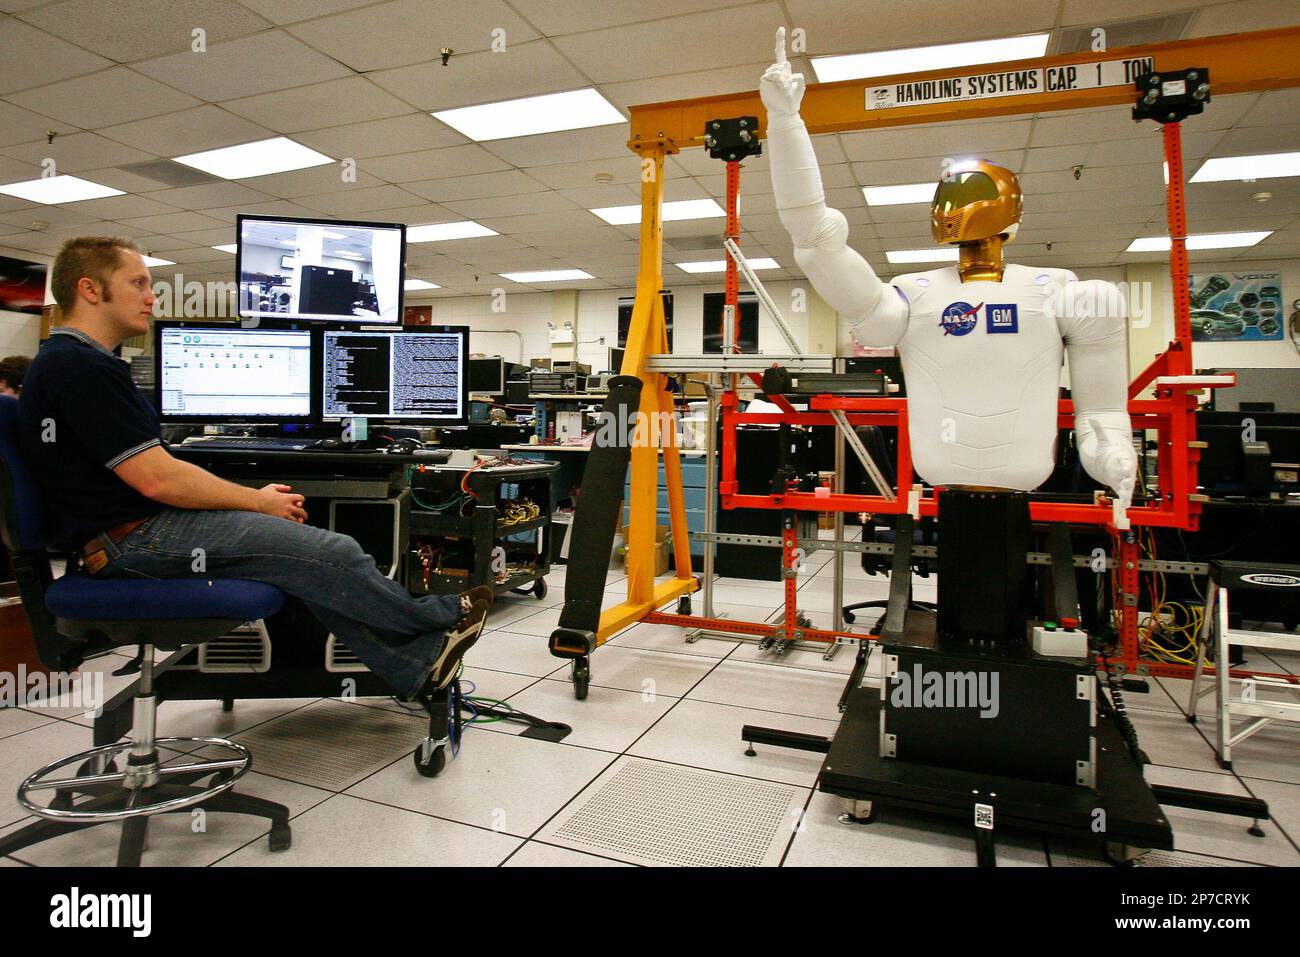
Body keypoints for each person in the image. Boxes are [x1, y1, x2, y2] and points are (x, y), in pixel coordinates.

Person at [17, 236, 491, 700]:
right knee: (335, 552)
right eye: (139, 283)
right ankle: (440, 619)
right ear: (90, 290)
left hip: (128, 534)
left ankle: (420, 662)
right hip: (133, 542)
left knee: (314, 566)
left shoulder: (73, 363)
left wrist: (247, 498)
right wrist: (257, 501)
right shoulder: (81, 368)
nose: (151, 296)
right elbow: (156, 477)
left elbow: (148, 469)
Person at [759, 28, 1137, 511]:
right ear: (1016, 220)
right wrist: (785, 122)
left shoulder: (1064, 295)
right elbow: (814, 240)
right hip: (954, 472)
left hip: (1001, 474)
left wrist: (1110, 452)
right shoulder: (916, 295)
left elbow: (1103, 414)